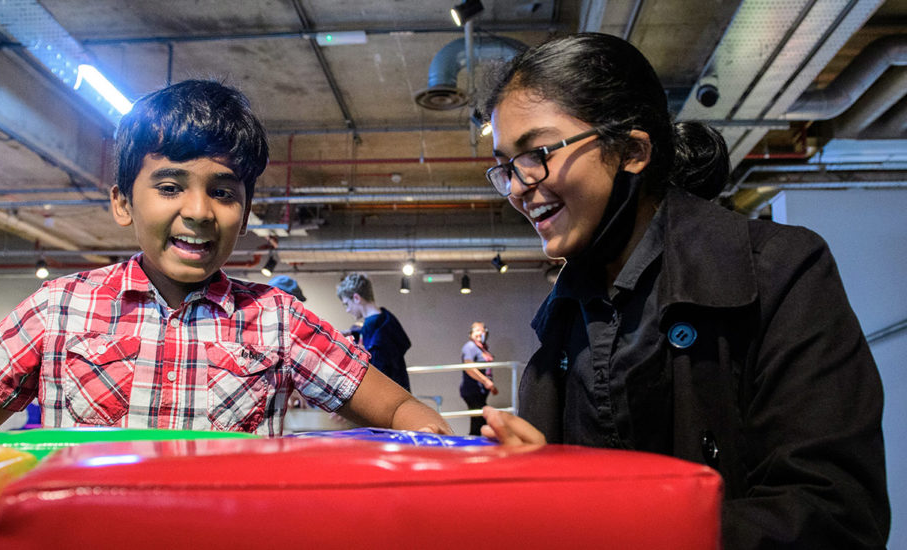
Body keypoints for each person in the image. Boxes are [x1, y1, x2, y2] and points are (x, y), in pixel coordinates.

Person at [477, 33, 889, 548]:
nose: (517, 186)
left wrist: (593, 512)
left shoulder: (781, 271)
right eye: (505, 166)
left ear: (631, 150)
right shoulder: (560, 324)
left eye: (536, 153)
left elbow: (837, 517)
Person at [0, 80, 449, 438]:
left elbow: (400, 410)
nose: (200, 211)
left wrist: (435, 437)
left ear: (246, 211)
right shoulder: (56, 311)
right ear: (124, 202)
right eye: (171, 186)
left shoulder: (279, 321)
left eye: (224, 192)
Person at [336, 273, 412, 392]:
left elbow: (379, 374)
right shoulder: (386, 318)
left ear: (356, 298)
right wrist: (353, 333)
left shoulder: (374, 331)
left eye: (347, 304)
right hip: (401, 391)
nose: (347, 310)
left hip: (389, 398)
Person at [460, 321, 498, 436]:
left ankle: (476, 443)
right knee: (479, 420)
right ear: (471, 333)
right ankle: (474, 445)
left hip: (480, 391)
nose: (480, 333)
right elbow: (469, 367)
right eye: (477, 330)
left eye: (482, 331)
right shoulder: (470, 346)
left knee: (479, 420)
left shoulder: (482, 348)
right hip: (472, 390)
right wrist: (486, 381)